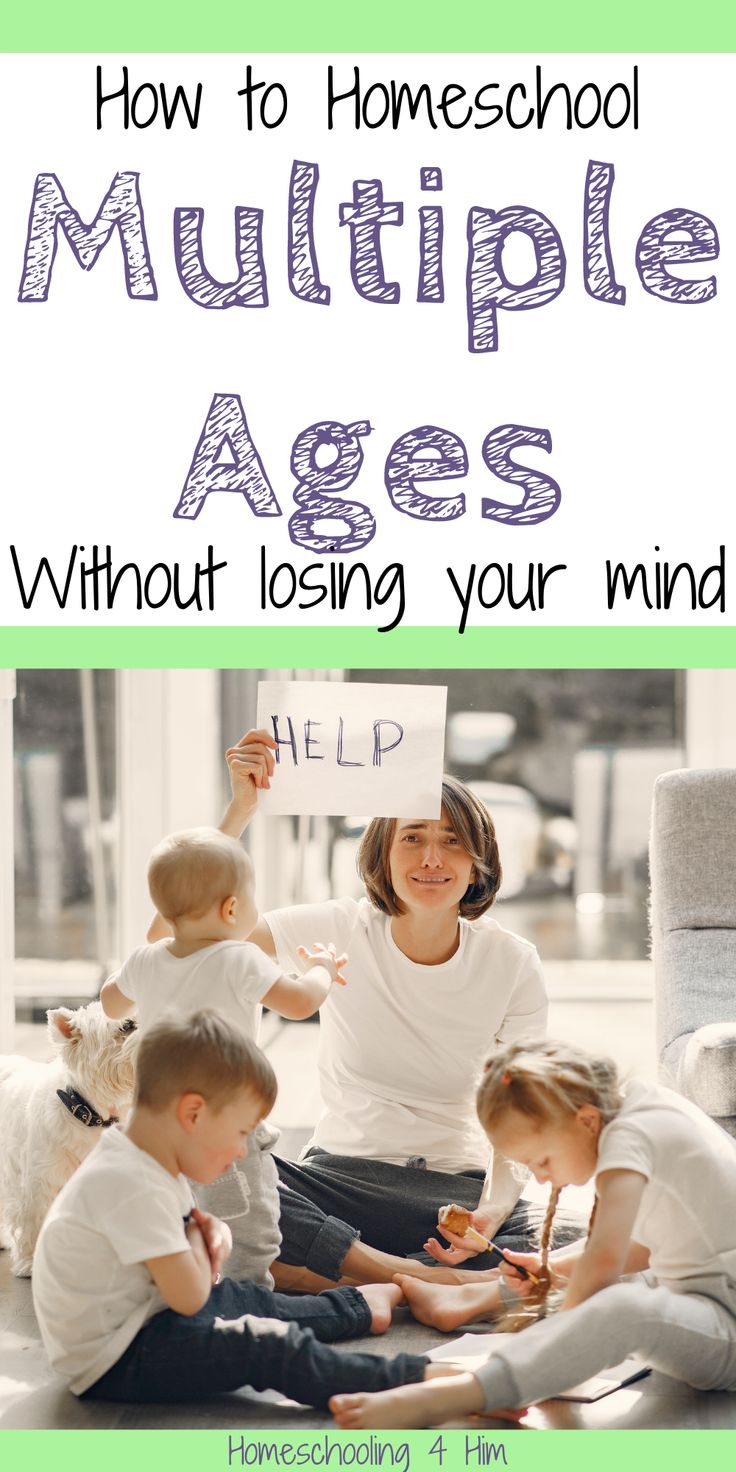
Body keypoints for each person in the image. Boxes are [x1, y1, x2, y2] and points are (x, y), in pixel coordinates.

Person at [205, 728, 581, 1289]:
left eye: (452, 840)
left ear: (479, 862)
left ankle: (361, 1279)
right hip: (336, 1182)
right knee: (221, 1167)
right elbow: (193, 931)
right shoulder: (340, 926)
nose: (432, 858)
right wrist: (241, 809)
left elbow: (521, 1111)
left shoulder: (513, 963)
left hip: (453, 1194)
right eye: (413, 838)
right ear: (383, 851)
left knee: (607, 1236)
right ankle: (415, 1282)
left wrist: (492, 1215)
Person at [32, 1011, 454, 1408]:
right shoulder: (130, 1185)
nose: (239, 1151)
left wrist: (203, 1241)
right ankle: (415, 1380)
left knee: (245, 1298)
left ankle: (356, 1308)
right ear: (193, 1113)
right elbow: (192, 1296)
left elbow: (184, 1265)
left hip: (141, 1317)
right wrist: (210, 1246)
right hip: (119, 1358)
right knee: (263, 1347)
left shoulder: (145, 1159)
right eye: (240, 1133)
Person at [328, 1037, 736, 1428]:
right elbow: (644, 1246)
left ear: (586, 1120)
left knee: (621, 1307)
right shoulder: (643, 1109)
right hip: (705, 1298)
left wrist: (562, 1348)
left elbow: (604, 1261)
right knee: (589, 1277)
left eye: (540, 1160)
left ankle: (459, 1394)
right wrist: (549, 1267)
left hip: (726, 1328)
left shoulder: (628, 1142)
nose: (541, 1176)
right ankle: (476, 1300)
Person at [101, 827, 346, 1286]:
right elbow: (299, 1003)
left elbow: (111, 1004)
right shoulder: (239, 957)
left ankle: (186, 1287)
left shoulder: (145, 960)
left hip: (159, 1122)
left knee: (178, 1213)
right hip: (224, 1123)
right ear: (232, 908)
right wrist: (322, 969)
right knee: (248, 1225)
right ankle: (248, 1298)